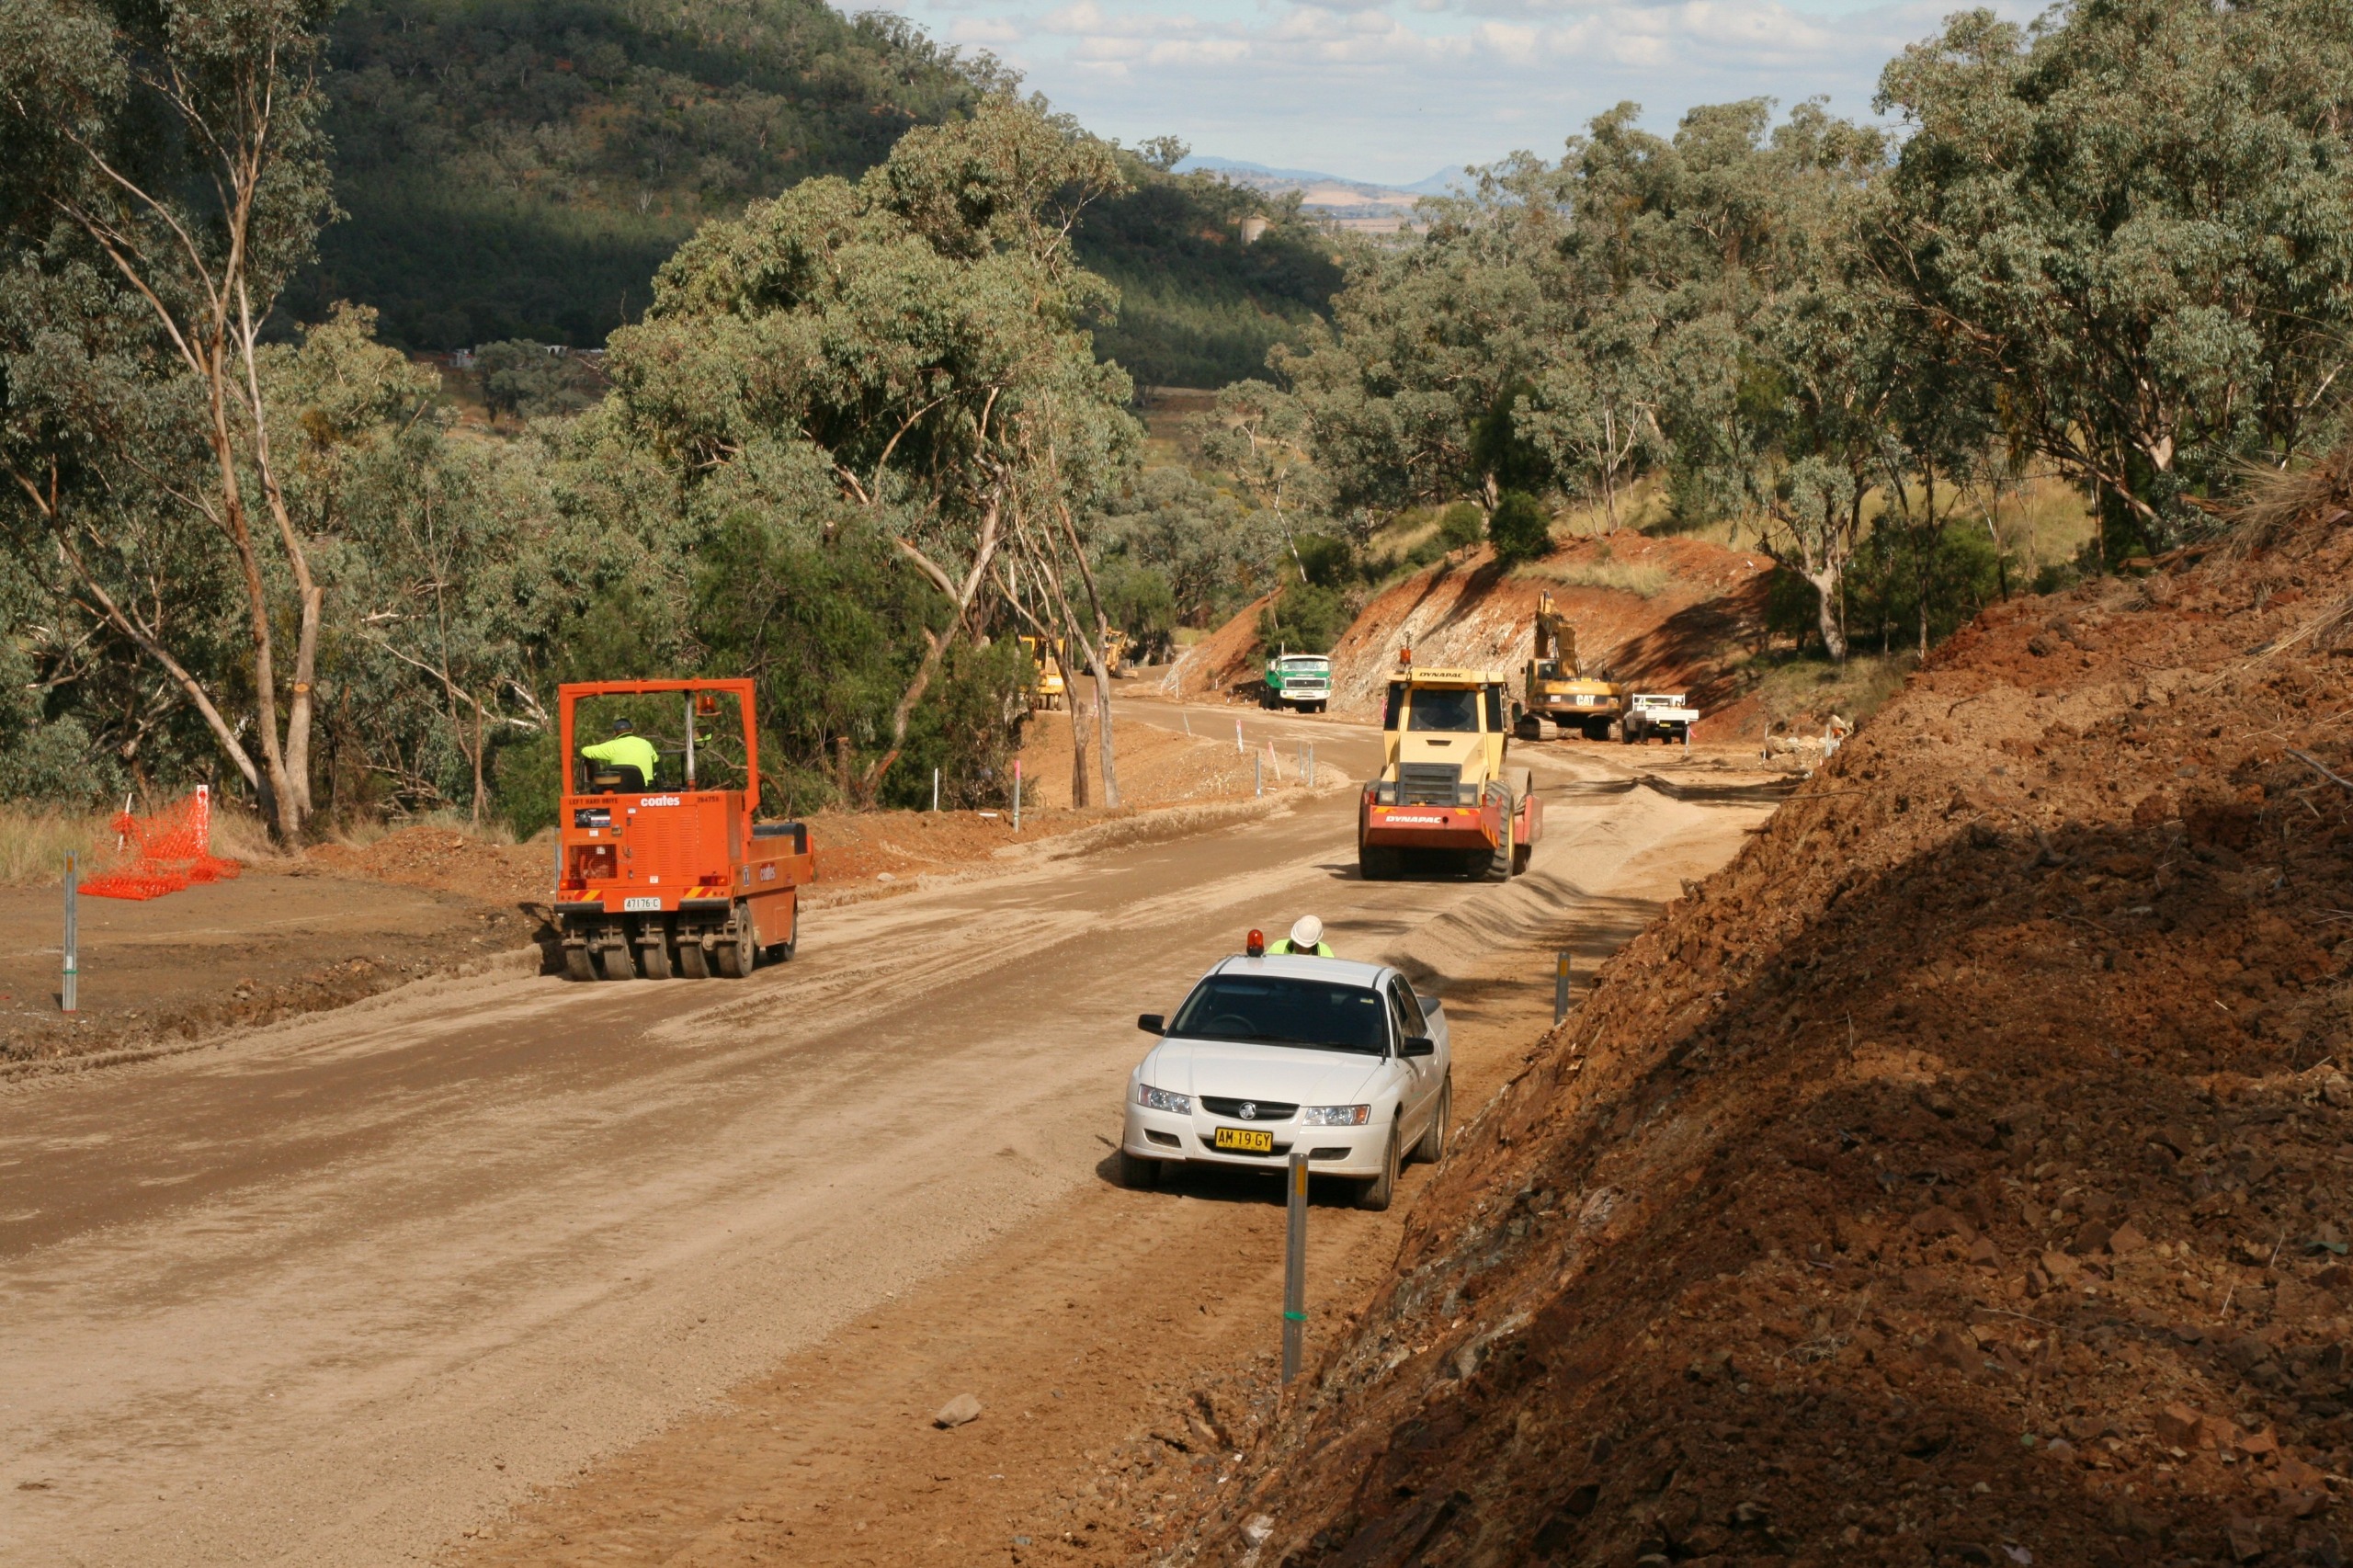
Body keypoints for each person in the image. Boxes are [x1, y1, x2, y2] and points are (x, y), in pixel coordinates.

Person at [581, 718, 659, 790]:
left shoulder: (611, 746)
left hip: (620, 789)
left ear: (614, 733)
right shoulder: (646, 744)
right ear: (632, 730)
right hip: (645, 789)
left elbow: (585, 751)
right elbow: (656, 759)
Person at [1267, 915, 1334, 956]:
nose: (1300, 947)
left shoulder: (1325, 953)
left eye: (1303, 946)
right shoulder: (1277, 949)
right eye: (1298, 943)